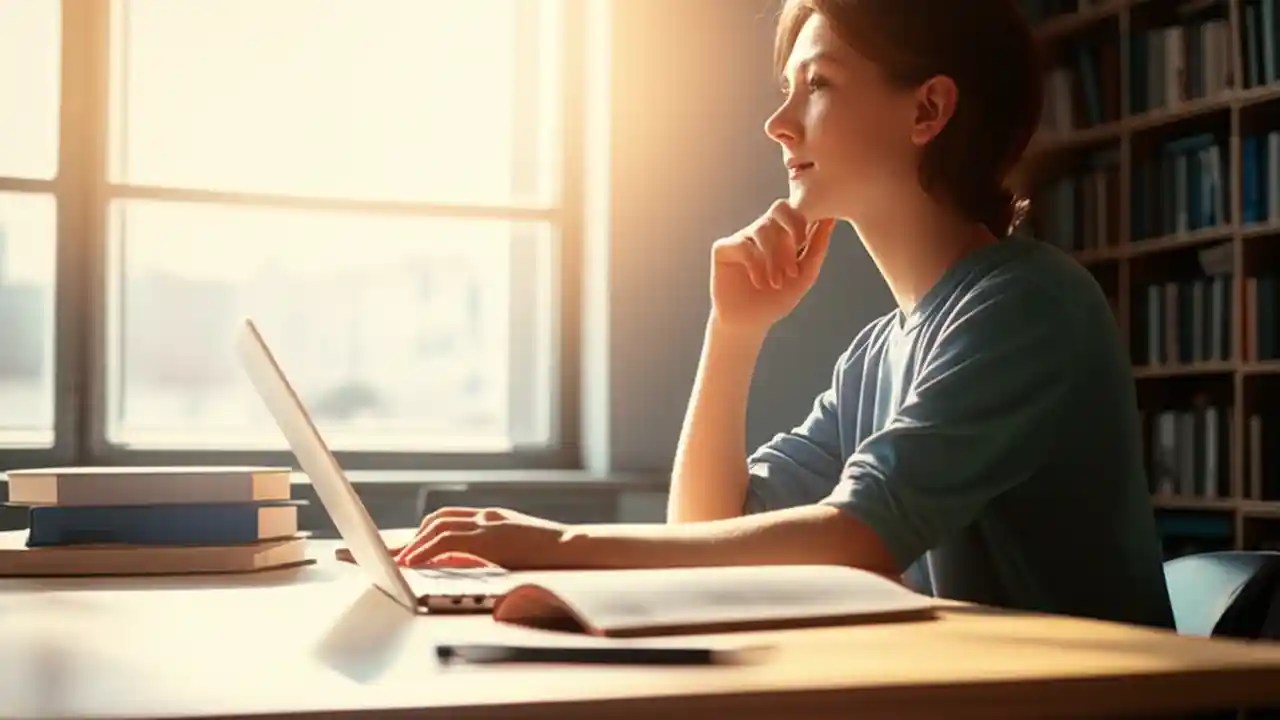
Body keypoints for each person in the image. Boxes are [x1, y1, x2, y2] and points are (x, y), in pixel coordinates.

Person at [393, 0, 1175, 628]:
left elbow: (855, 537)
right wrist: (733, 332)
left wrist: (558, 545)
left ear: (928, 109)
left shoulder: (1027, 305)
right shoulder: (875, 354)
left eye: (819, 84)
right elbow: (704, 529)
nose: (780, 123)